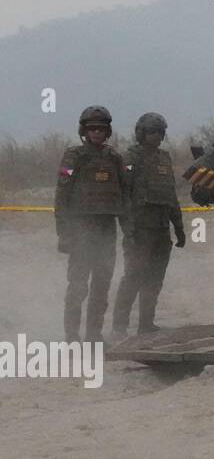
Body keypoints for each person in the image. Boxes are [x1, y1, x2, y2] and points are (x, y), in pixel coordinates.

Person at [55, 106, 129, 341]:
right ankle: (72, 336)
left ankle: (94, 335)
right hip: (81, 230)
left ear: (107, 131)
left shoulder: (115, 158)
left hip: (107, 229)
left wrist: (130, 231)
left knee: (102, 285)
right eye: (92, 128)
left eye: (101, 128)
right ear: (84, 131)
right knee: (78, 285)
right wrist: (64, 234)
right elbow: (62, 196)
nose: (96, 132)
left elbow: (124, 195)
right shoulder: (73, 157)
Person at [112, 112, 185, 338]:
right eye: (153, 132)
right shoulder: (130, 158)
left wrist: (179, 227)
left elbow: (171, 195)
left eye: (161, 132)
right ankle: (119, 327)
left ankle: (146, 324)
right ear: (141, 133)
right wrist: (128, 228)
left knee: (155, 278)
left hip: (161, 229)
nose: (158, 137)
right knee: (134, 276)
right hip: (139, 229)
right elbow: (122, 196)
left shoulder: (164, 158)